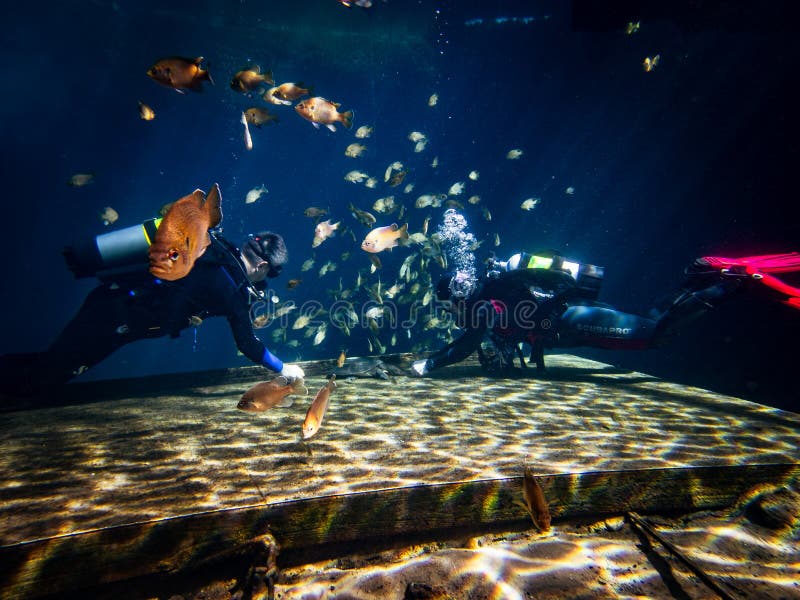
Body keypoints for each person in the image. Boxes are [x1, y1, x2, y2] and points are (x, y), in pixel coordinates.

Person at [1, 228, 305, 396]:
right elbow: (247, 344)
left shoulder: (211, 246)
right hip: (116, 320)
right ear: (263, 266)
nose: (264, 283)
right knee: (47, 376)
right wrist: (284, 368)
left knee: (52, 365)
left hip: (110, 299)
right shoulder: (232, 290)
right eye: (269, 275)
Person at [412, 250, 800, 376]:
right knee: (648, 319)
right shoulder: (493, 294)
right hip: (573, 315)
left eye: (446, 302)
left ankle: (732, 282)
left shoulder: (482, 304)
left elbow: (465, 346)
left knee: (654, 333)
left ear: (457, 295)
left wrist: (427, 366)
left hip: (573, 320)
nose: (447, 309)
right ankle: (698, 277)